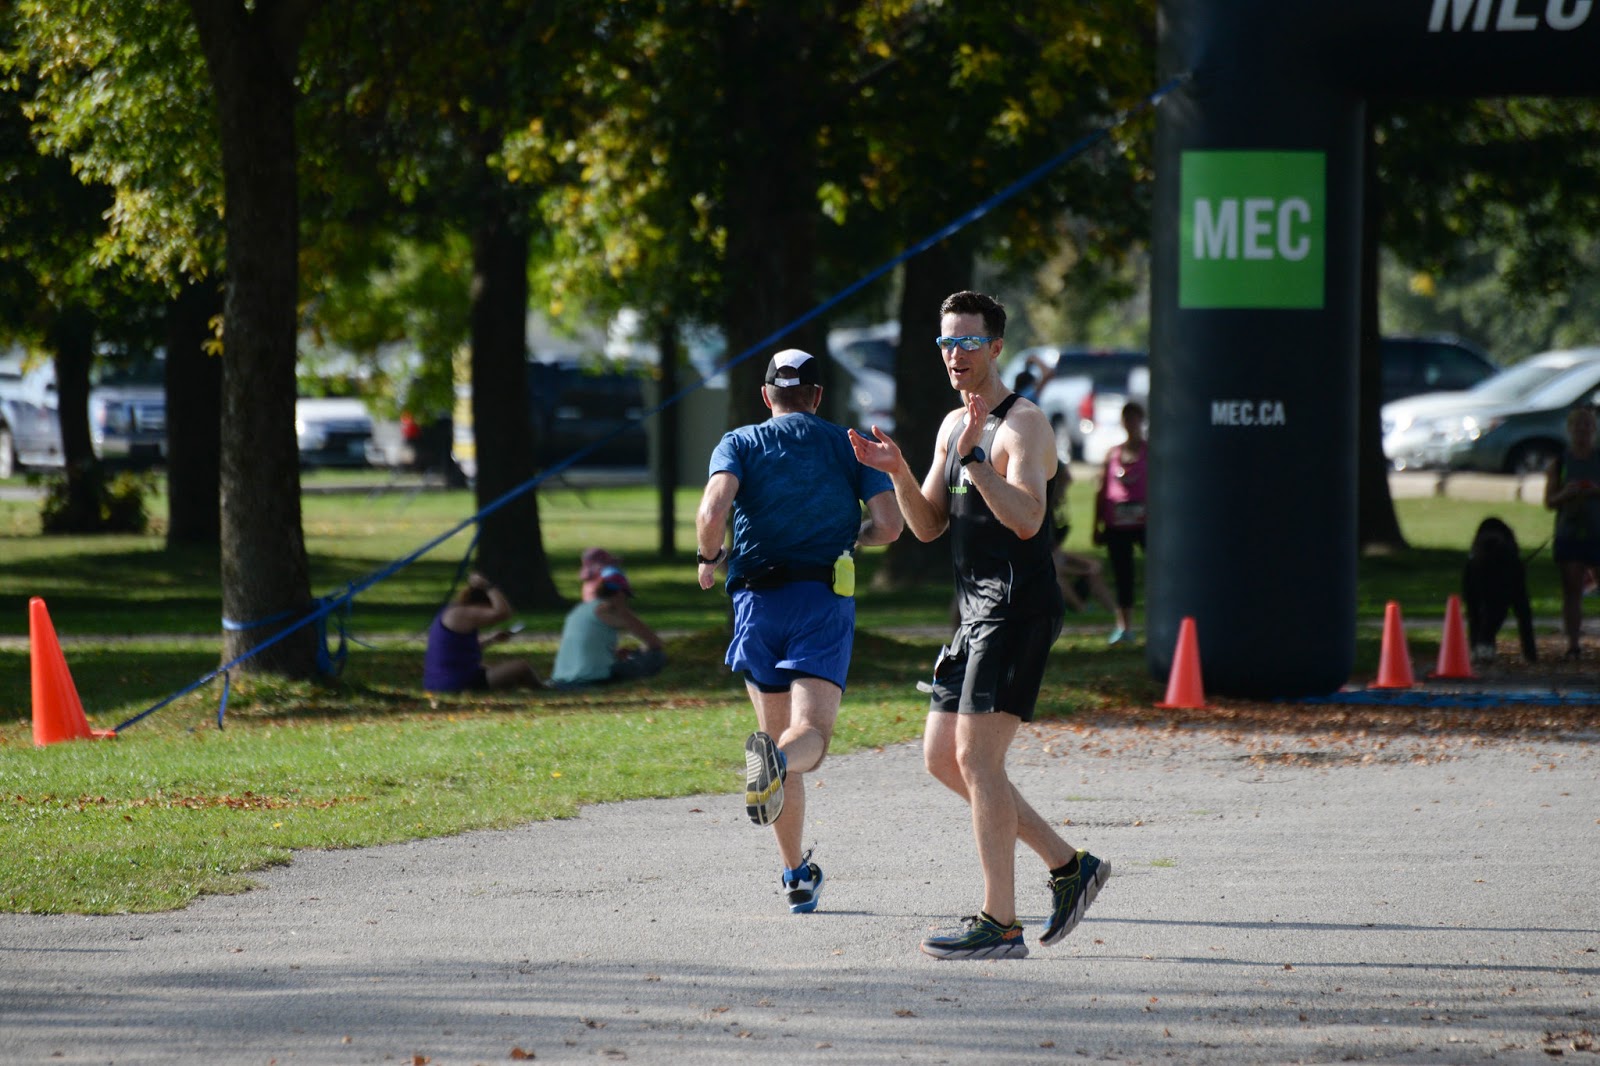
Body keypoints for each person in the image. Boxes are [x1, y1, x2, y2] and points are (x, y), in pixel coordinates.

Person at [849, 290, 1110, 961]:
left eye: (967, 342)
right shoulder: (948, 426)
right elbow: (929, 526)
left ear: (997, 347)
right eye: (945, 343)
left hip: (1018, 609)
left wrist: (971, 461)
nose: (954, 355)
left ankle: (1002, 923)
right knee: (944, 759)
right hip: (973, 611)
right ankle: (1067, 864)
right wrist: (903, 470)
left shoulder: (1023, 427)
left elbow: (1026, 519)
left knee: (976, 760)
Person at [696, 348, 903, 915]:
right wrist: (853, 532)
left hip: (755, 603)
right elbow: (889, 525)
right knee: (806, 736)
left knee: (777, 735)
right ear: (816, 395)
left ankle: (795, 875)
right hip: (821, 599)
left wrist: (707, 558)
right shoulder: (847, 442)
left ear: (767, 396)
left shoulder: (738, 442)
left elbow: (713, 509)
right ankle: (779, 767)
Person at [423, 571, 542, 692]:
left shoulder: (452, 612)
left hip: (437, 683)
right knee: (522, 667)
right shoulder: (461, 613)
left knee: (497, 670)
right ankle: (543, 689)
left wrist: (492, 639)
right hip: (456, 683)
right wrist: (488, 587)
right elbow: (503, 613)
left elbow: (461, 649)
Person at [1544, 405, 1600, 660]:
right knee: (1572, 589)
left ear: (1594, 429)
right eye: (1578, 426)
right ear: (1569, 430)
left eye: (1587, 425)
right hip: (1570, 532)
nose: (1582, 431)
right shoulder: (1560, 462)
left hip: (1597, 531)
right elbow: (1549, 501)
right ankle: (1573, 645)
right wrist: (1566, 494)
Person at [549, 565, 667, 686]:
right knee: (656, 656)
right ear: (621, 593)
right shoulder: (608, 609)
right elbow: (655, 643)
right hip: (591, 678)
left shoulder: (581, 610)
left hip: (562, 679)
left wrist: (614, 654)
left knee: (631, 656)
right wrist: (625, 612)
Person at [1092, 401, 1148, 645]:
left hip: (1146, 523)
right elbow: (1101, 489)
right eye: (1127, 419)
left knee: (1157, 572)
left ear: (1141, 421)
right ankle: (1124, 626)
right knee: (1122, 575)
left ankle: (1160, 620)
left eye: (1135, 419)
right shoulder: (1113, 454)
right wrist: (1097, 523)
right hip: (1117, 524)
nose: (1131, 424)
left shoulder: (1150, 451)